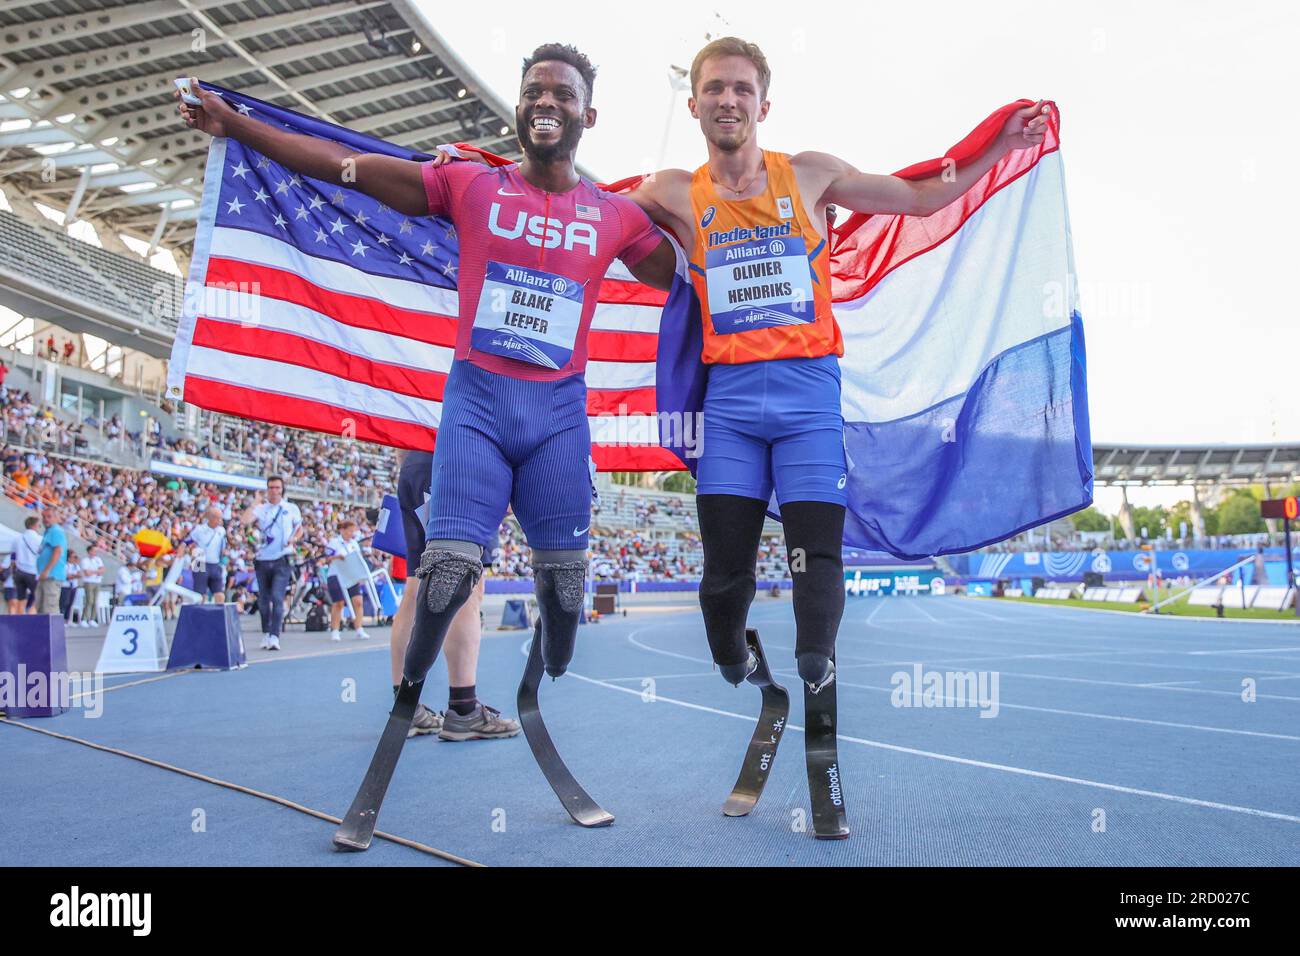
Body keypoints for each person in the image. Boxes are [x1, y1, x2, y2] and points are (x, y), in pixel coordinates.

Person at [180, 42, 675, 830]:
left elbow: (690, 274)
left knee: (567, 609)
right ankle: (412, 701)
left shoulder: (614, 216)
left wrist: (759, 236)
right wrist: (237, 126)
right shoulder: (471, 183)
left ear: (589, 114)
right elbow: (339, 162)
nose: (545, 101)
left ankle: (530, 686)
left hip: (558, 420)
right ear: (519, 108)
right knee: (445, 577)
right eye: (533, 90)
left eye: (562, 93)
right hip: (477, 405)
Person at [391, 449, 519, 740]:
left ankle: (406, 708)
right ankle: (463, 710)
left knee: (415, 585)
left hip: (414, 463)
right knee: (467, 585)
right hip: (463, 461)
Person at [239, 475, 303, 651]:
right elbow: (244, 521)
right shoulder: (261, 508)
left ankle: (275, 635)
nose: (274, 491)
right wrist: (255, 501)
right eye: (271, 487)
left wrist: (294, 539)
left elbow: (299, 529)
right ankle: (266, 633)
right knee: (263, 600)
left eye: (277, 487)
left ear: (282, 489)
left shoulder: (290, 508)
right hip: (262, 559)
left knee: (277, 597)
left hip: (282, 558)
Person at [323, 519, 370, 643]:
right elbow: (326, 559)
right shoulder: (334, 542)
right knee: (338, 603)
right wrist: (337, 557)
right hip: (336, 574)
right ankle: (335, 630)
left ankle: (359, 628)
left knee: (358, 601)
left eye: (352, 531)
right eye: (349, 531)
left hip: (351, 575)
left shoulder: (354, 543)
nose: (351, 534)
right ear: (342, 530)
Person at [184, 507, 227, 603]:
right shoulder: (199, 529)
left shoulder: (221, 530)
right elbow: (187, 541)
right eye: (218, 518)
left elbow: (222, 546)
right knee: (200, 594)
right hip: (199, 560)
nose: (220, 521)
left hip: (215, 562)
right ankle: (200, 615)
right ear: (211, 518)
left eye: (221, 518)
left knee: (219, 593)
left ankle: (219, 615)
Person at [34, 505, 67, 616]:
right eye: (44, 517)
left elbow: (57, 551)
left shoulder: (56, 531)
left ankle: (53, 633)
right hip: (45, 576)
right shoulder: (48, 532)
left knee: (49, 608)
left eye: (49, 516)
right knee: (41, 608)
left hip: (51, 576)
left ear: (56, 518)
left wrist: (46, 570)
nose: (46, 519)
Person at [10, 516, 41, 614]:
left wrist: (13, 573)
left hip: (19, 571)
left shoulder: (17, 538)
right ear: (35, 525)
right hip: (33, 571)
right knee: (37, 597)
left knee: (21, 599)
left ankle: (21, 621)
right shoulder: (40, 539)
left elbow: (13, 557)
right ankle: (32, 619)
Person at [79, 543, 105, 626]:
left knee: (95, 601)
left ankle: (92, 619)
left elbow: (102, 570)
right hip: (89, 582)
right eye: (93, 551)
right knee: (89, 600)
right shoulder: (85, 560)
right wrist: (97, 571)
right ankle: (84, 618)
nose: (95, 552)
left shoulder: (98, 559)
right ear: (89, 551)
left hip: (97, 582)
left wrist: (94, 571)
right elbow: (87, 573)